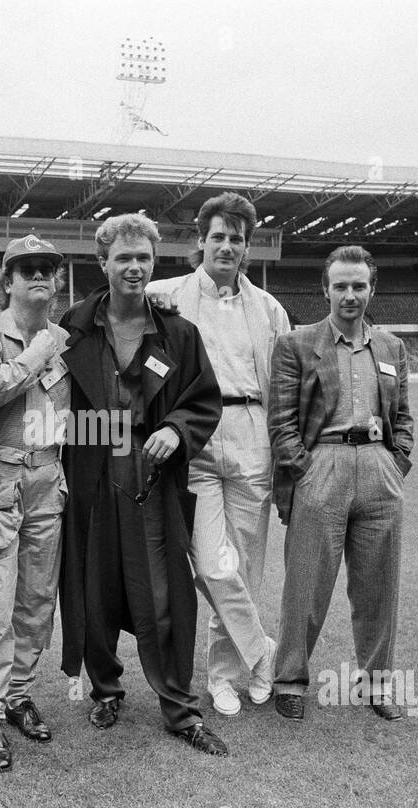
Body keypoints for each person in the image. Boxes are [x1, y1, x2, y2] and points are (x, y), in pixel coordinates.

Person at [58, 213, 228, 757]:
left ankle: (178, 705)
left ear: (154, 265)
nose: (134, 267)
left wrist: (176, 432)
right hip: (92, 472)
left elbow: (203, 401)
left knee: (164, 593)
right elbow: (55, 407)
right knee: (96, 587)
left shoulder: (177, 333)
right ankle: (106, 690)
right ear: (102, 262)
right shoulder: (73, 328)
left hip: (153, 478)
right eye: (123, 258)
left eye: (144, 259)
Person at [146, 192, 290, 717]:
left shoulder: (269, 308)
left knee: (245, 567)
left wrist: (282, 451)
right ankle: (262, 650)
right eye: (218, 236)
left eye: (237, 238)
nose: (227, 245)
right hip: (196, 433)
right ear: (199, 242)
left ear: (247, 248)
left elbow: (285, 386)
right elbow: (113, 301)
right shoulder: (166, 296)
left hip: (253, 431)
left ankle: (226, 678)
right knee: (210, 563)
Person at [267, 245, 415, 722]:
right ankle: (290, 679)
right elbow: (282, 422)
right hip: (322, 464)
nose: (350, 295)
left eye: (359, 286)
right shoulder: (296, 343)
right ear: (325, 289)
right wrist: (304, 470)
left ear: (372, 288)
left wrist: (398, 461)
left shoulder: (392, 347)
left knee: (379, 588)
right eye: (340, 286)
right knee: (305, 584)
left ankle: (376, 684)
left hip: (378, 467)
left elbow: (404, 417)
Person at [0, 235, 70, 771]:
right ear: (6, 281)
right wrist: (32, 357)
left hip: (48, 478)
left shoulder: (66, 337)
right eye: (25, 268)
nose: (38, 275)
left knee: (35, 603)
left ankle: (19, 695)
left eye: (47, 267)